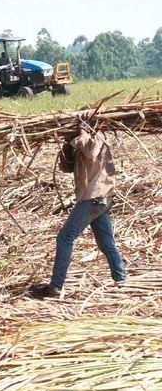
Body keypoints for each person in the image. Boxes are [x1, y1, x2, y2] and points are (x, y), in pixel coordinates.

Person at [29, 123, 126, 298]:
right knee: (105, 242)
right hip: (96, 198)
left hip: (95, 197)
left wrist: (82, 131)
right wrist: (67, 146)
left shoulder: (97, 135)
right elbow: (67, 167)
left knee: (65, 238)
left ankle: (55, 286)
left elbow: (91, 152)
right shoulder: (80, 141)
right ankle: (121, 279)